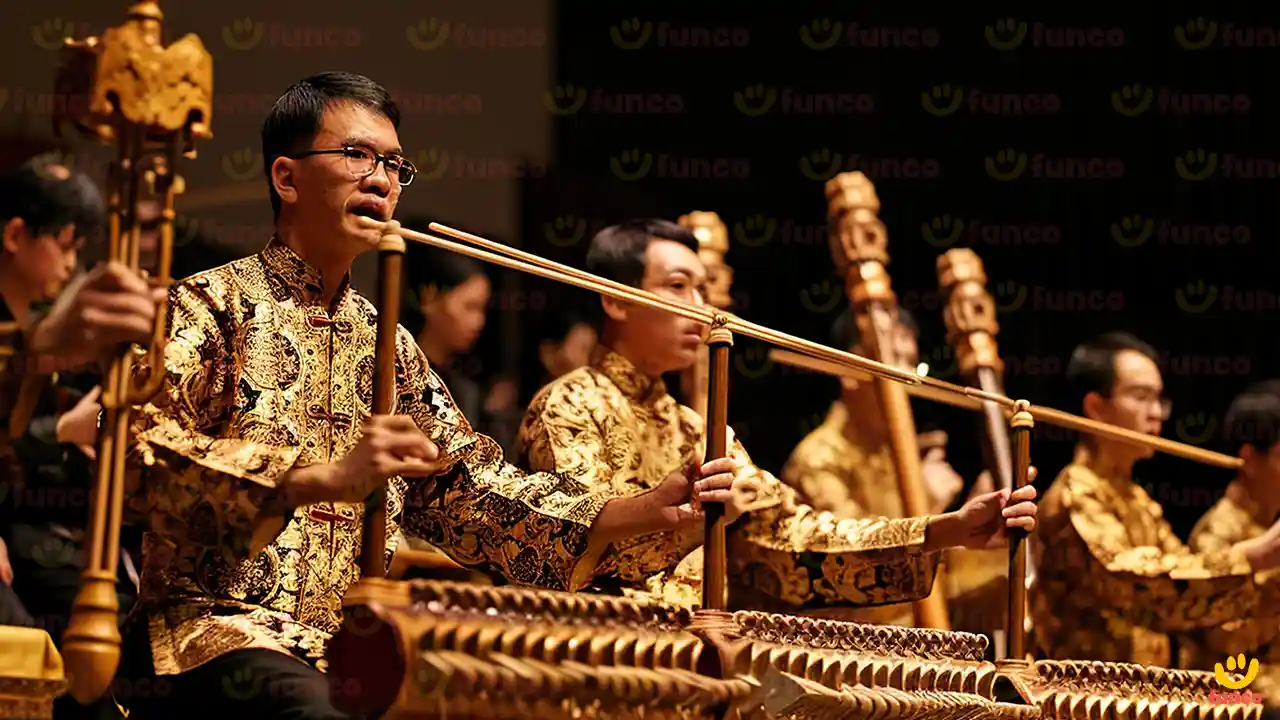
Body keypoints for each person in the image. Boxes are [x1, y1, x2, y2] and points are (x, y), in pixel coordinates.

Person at [101, 72, 735, 720]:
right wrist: (318, 479)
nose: (380, 179)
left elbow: (469, 489)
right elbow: (128, 449)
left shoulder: (386, 344)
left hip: (348, 644)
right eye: (356, 156)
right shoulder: (210, 305)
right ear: (286, 178)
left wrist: (641, 510)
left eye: (395, 165)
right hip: (214, 630)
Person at [516, 218, 1039, 611]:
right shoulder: (567, 404)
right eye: (678, 287)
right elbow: (572, 549)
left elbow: (796, 536)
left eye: (702, 289)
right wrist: (674, 515)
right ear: (617, 299)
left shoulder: (693, 427)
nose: (700, 306)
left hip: (693, 661)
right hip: (598, 660)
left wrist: (945, 529)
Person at [1030, 332, 1280, 668]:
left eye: (1160, 400)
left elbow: (1188, 588)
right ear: (1096, 407)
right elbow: (1143, 584)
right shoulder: (1076, 493)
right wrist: (1257, 555)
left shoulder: (1137, 499)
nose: (1156, 414)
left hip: (1143, 695)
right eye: (1141, 397)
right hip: (1085, 701)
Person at [778, 308, 999, 629]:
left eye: (912, 363)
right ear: (849, 371)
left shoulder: (894, 452)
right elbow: (854, 572)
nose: (910, 379)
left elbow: (936, 576)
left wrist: (971, 526)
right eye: (894, 361)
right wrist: (933, 507)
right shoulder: (818, 460)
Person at [1182, 380, 1280, 702]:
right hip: (1227, 696)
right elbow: (1225, 654)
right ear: (1250, 458)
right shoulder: (1217, 536)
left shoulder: (1268, 521)